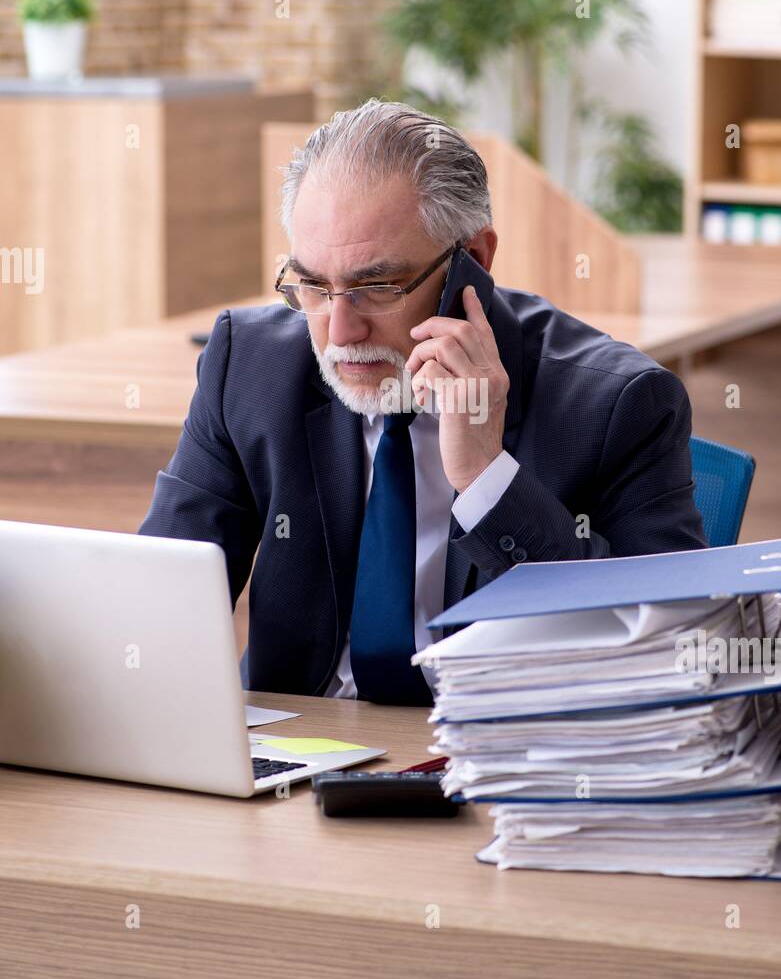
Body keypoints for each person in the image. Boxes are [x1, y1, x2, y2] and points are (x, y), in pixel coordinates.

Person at [139, 99, 706, 703]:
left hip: (502, 766)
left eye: (377, 287)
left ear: (476, 262)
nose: (339, 332)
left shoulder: (619, 402)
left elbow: (667, 651)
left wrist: (489, 479)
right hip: (295, 756)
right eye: (313, 286)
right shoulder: (247, 365)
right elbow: (156, 604)